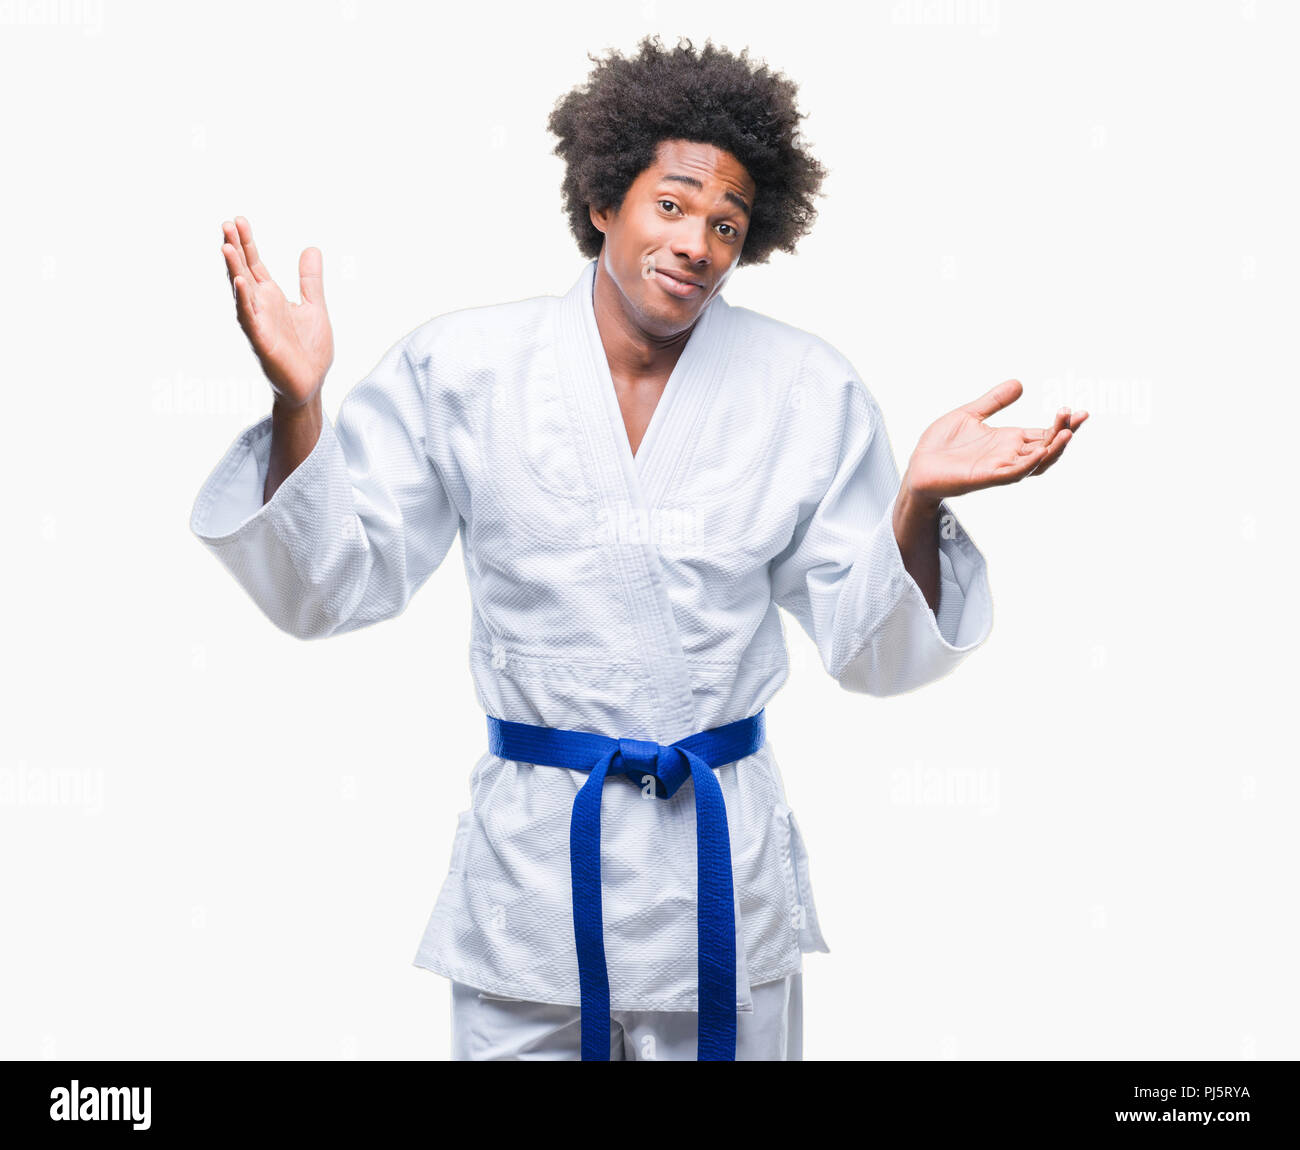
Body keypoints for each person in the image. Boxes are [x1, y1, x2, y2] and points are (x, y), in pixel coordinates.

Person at [190, 34, 1086, 1061]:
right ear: (602, 202)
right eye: (671, 204)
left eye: (726, 224)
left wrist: (917, 497)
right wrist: (297, 401)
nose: (697, 241)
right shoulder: (465, 366)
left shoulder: (804, 387)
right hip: (531, 881)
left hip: (715, 879)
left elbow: (870, 645)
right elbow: (328, 582)